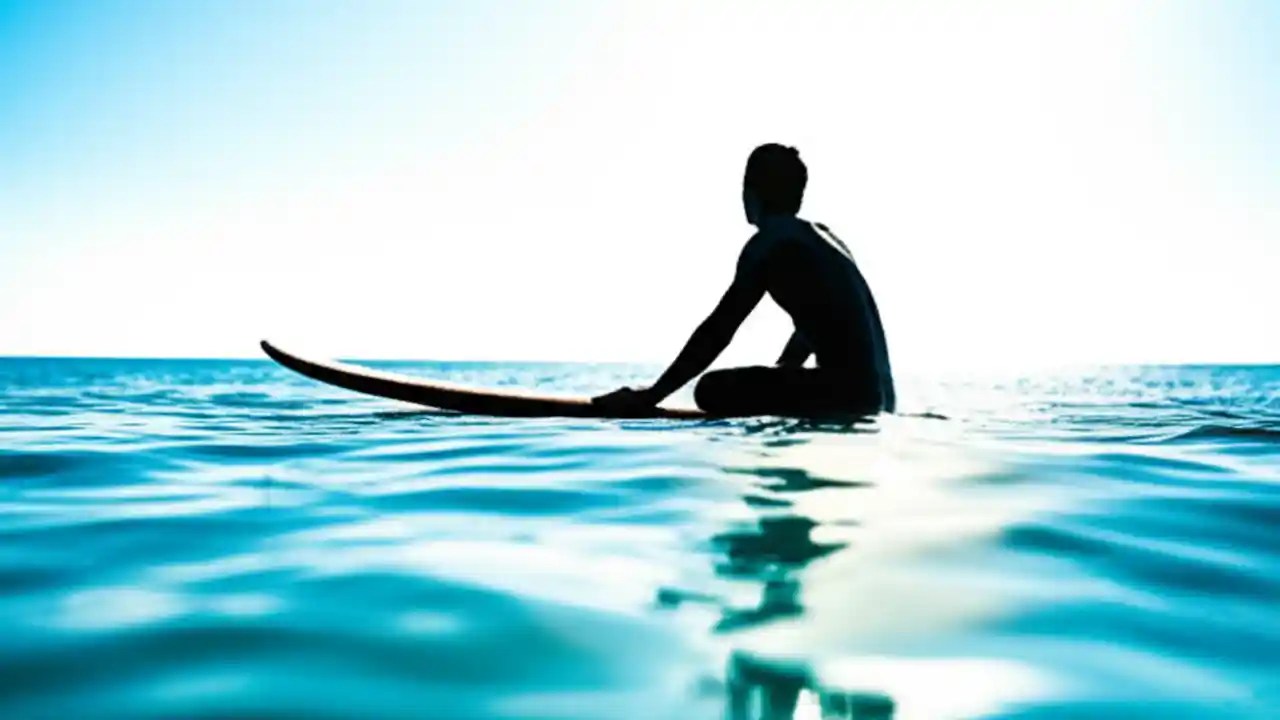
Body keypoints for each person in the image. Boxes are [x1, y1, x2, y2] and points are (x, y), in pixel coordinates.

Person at [592, 143, 895, 417]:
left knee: (710, 389)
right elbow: (820, 321)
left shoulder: (768, 244)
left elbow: (720, 328)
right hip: (882, 400)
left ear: (752, 192)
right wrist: (784, 371)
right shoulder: (825, 239)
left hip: (848, 398)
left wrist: (651, 396)